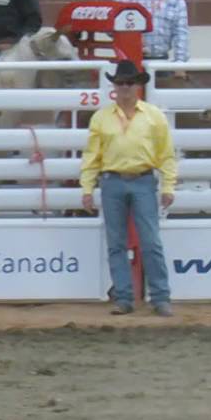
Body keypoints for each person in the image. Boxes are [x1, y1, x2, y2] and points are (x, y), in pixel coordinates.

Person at [79, 60, 177, 318]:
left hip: (142, 179)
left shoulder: (154, 116)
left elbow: (166, 155)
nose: (124, 87)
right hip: (113, 180)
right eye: (121, 83)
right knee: (117, 243)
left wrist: (168, 185)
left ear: (138, 86)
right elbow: (92, 157)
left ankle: (159, 296)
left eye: (129, 83)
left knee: (150, 242)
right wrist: (87, 187)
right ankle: (127, 297)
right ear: (115, 86)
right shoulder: (102, 118)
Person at [113, 0, 189, 82]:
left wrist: (180, 63)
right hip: (130, 61)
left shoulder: (176, 0)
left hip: (161, 61)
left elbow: (180, 33)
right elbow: (111, 28)